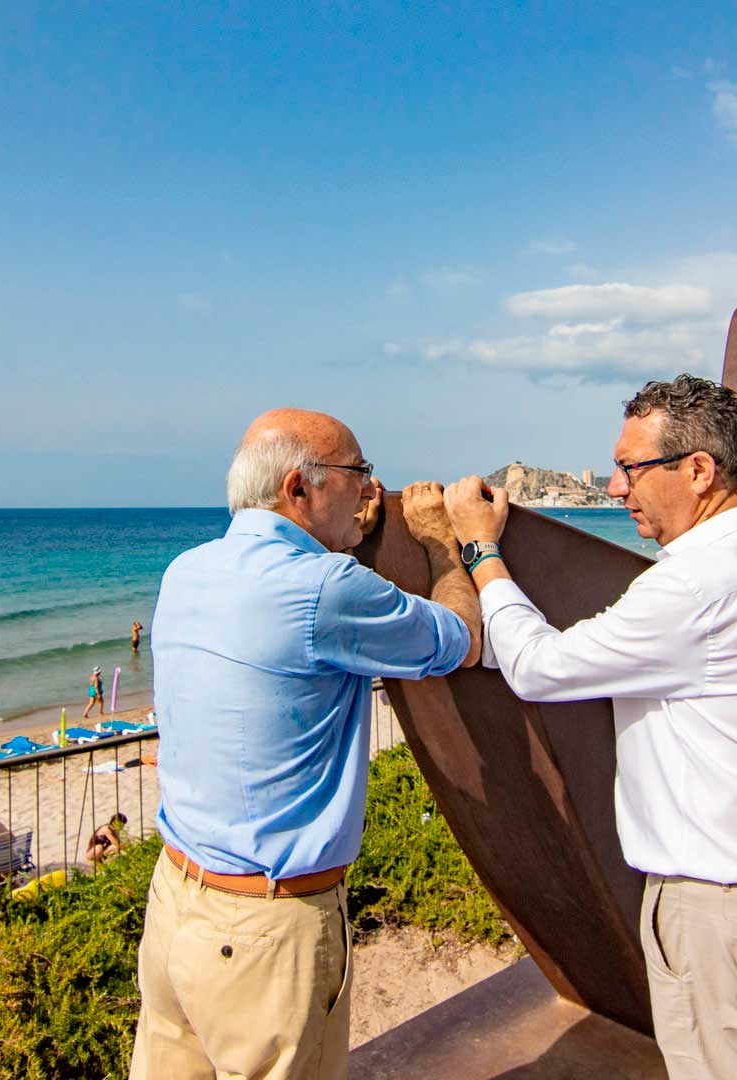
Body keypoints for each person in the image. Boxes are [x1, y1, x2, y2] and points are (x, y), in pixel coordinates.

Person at [442, 374, 737, 1080]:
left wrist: (482, 552)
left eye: (632, 467)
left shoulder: (695, 586)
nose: (614, 486)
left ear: (698, 471)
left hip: (726, 912)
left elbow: (540, 668)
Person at [131, 408, 480, 1080]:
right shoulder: (326, 589)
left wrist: (343, 539)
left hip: (175, 904)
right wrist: (442, 544)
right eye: (360, 473)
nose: (374, 492)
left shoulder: (187, 571)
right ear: (300, 489)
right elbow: (460, 640)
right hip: (267, 930)